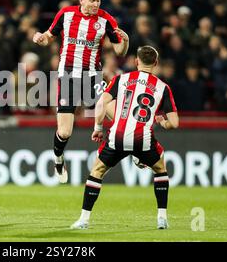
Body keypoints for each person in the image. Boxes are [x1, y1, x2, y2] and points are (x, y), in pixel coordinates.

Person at [70, 46, 179, 230]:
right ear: (156, 63)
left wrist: (97, 128)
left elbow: (102, 103)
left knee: (97, 171)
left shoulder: (121, 79)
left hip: (118, 136)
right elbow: (174, 123)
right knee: (160, 170)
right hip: (143, 139)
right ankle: (162, 218)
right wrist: (163, 123)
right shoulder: (163, 87)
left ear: (137, 61)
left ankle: (83, 220)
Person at [33, 0, 129, 183]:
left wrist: (126, 41)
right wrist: (41, 38)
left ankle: (139, 150)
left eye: (99, 0)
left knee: (119, 114)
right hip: (67, 74)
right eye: (92, 0)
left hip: (93, 75)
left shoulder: (106, 20)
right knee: (65, 131)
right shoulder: (66, 14)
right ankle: (58, 158)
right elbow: (50, 36)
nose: (96, 4)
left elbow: (119, 51)